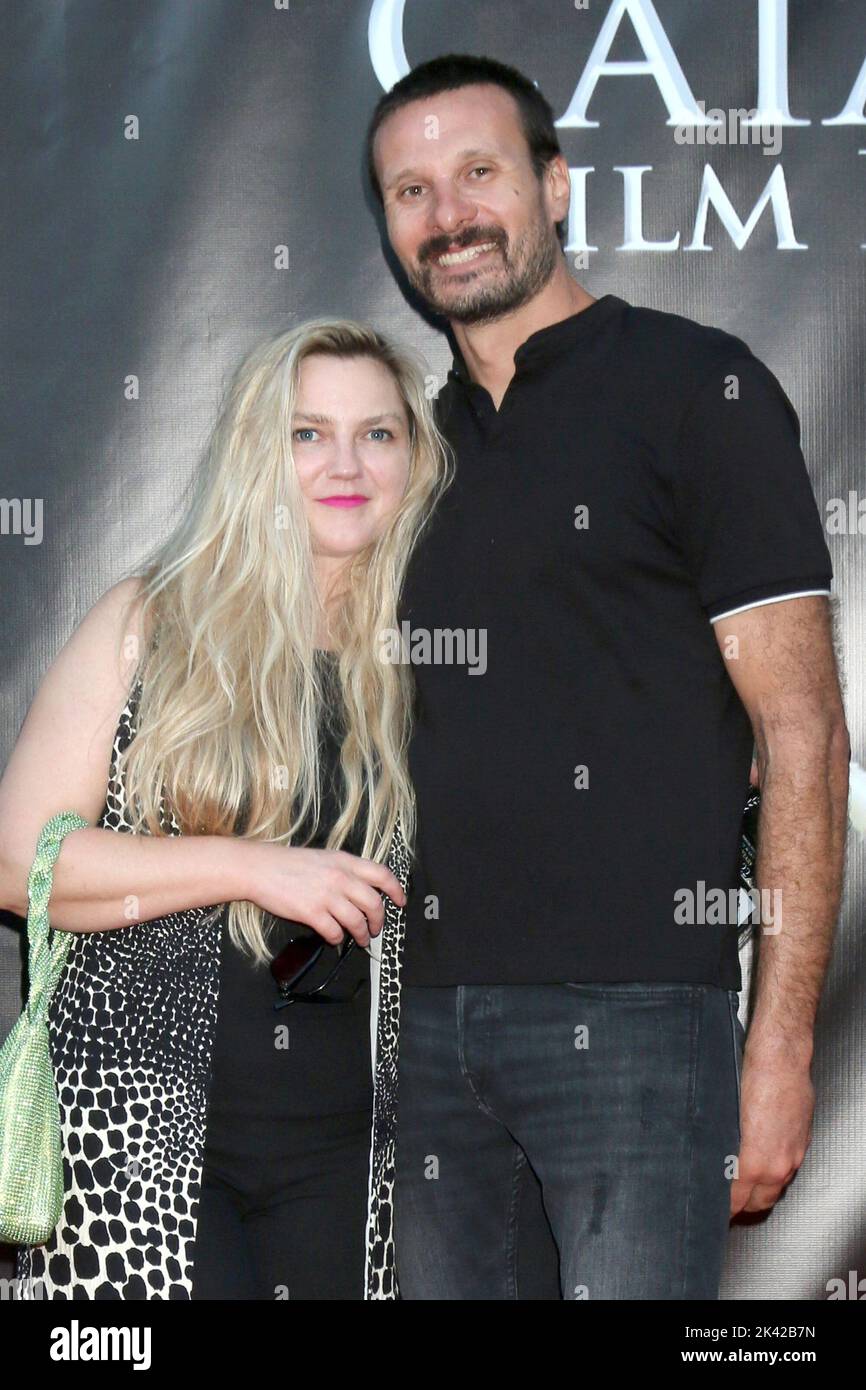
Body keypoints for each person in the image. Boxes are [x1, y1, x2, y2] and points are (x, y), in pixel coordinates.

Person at [365, 53, 850, 1299]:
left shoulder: (698, 386)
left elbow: (801, 735)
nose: (448, 214)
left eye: (477, 172)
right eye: (409, 192)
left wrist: (778, 1046)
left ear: (557, 184)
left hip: (639, 1020)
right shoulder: (413, 454)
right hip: (426, 1032)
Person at [0, 318, 452, 1299]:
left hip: (354, 1154)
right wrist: (253, 864)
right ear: (257, 452)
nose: (344, 462)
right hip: (140, 1135)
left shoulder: (430, 654)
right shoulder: (150, 621)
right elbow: (18, 862)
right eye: (307, 433)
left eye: (377, 433)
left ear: (412, 457)